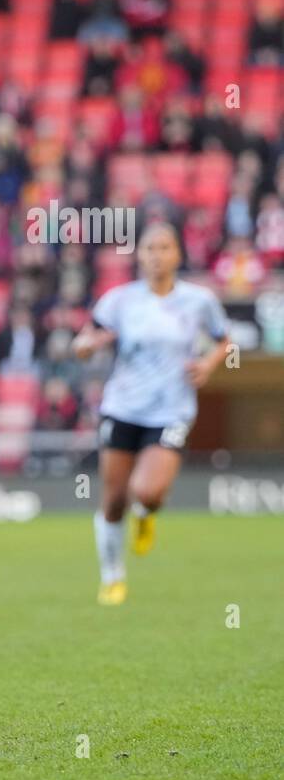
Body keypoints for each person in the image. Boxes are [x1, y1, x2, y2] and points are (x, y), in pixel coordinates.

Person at [72, 223, 230, 605]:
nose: (157, 255)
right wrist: (87, 346)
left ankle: (146, 513)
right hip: (122, 407)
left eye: (164, 247)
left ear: (178, 254)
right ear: (139, 255)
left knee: (149, 490)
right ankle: (112, 577)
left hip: (171, 410)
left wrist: (208, 364)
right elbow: (82, 341)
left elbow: (225, 341)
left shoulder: (199, 300)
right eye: (149, 248)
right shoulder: (119, 301)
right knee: (112, 500)